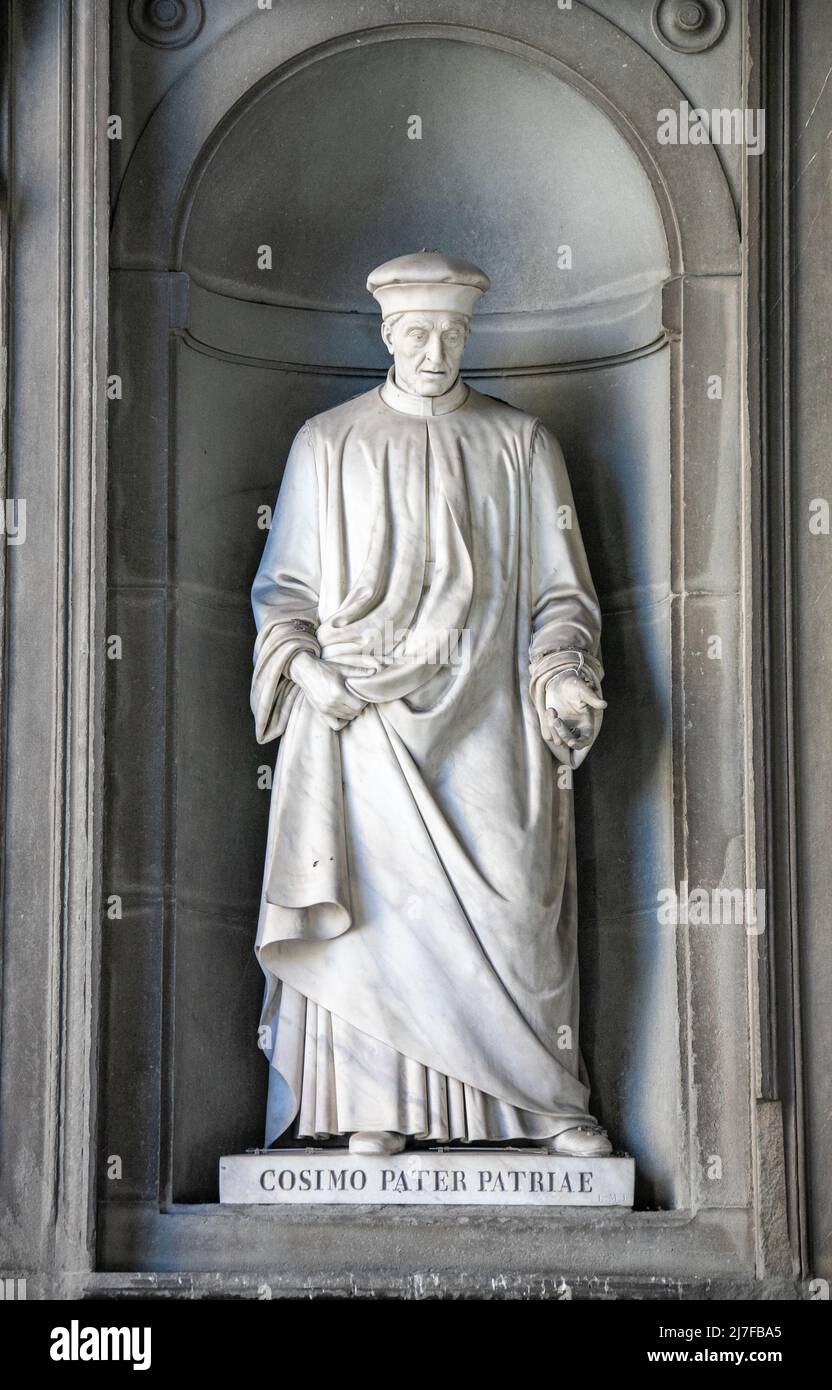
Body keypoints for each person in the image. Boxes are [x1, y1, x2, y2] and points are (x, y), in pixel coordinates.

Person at [250, 251, 611, 1158]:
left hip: (490, 721)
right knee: (376, 914)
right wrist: (306, 671)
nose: (434, 350)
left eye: (451, 333)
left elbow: (560, 597)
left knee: (517, 897)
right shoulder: (328, 443)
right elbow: (282, 594)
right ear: (386, 334)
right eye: (417, 333)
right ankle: (375, 1102)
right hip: (361, 723)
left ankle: (540, 1102)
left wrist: (562, 670)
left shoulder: (521, 445)